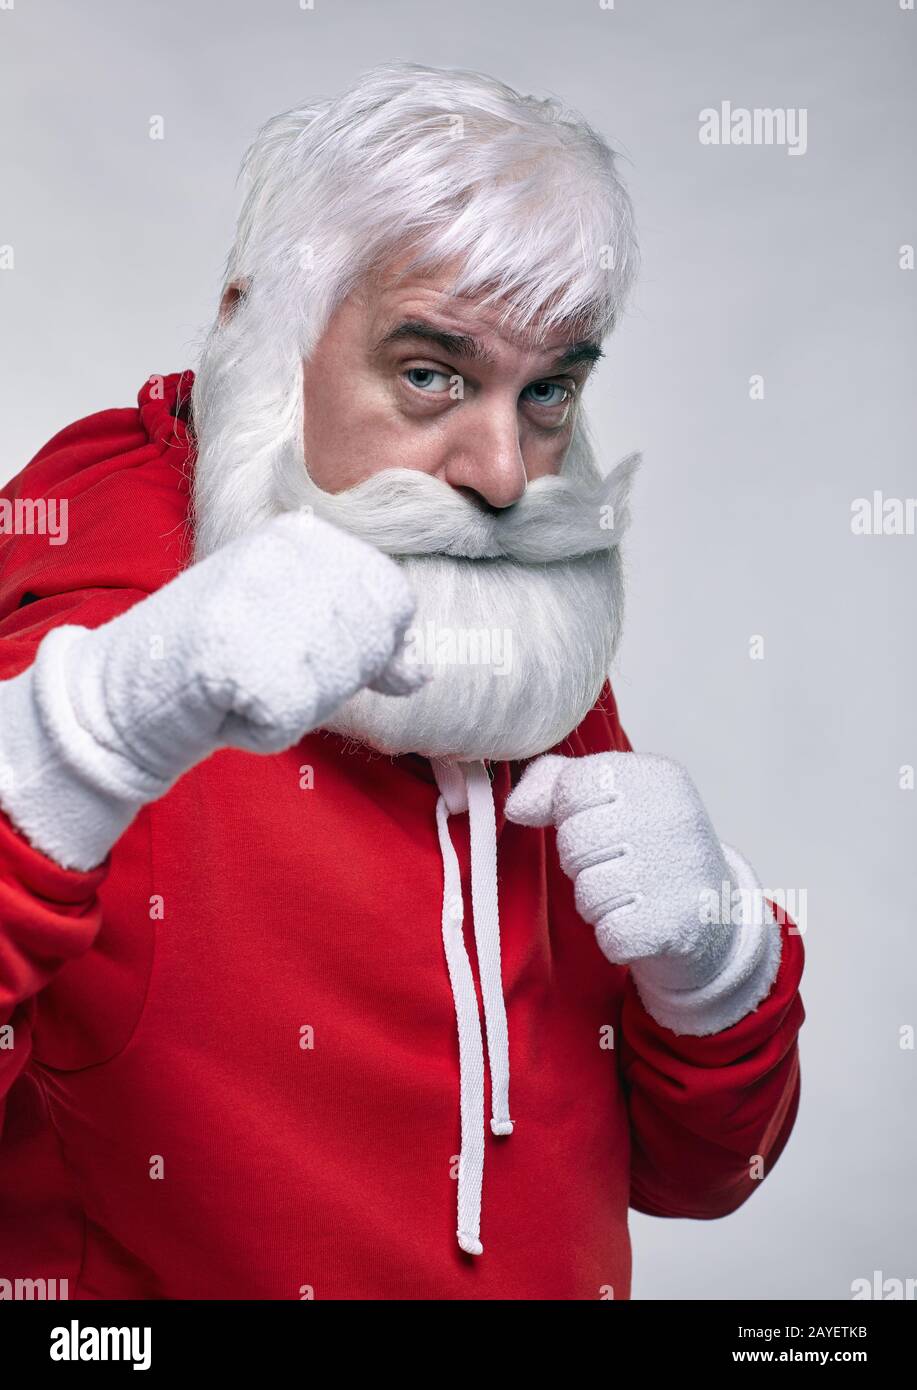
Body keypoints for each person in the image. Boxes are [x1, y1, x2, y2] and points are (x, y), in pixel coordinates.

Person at [0, 61, 804, 1301]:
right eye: (430, 372)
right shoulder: (102, 624)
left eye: (547, 391)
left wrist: (716, 972)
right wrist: (77, 746)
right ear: (259, 327)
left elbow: (699, 1176)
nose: (498, 470)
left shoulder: (504, 604)